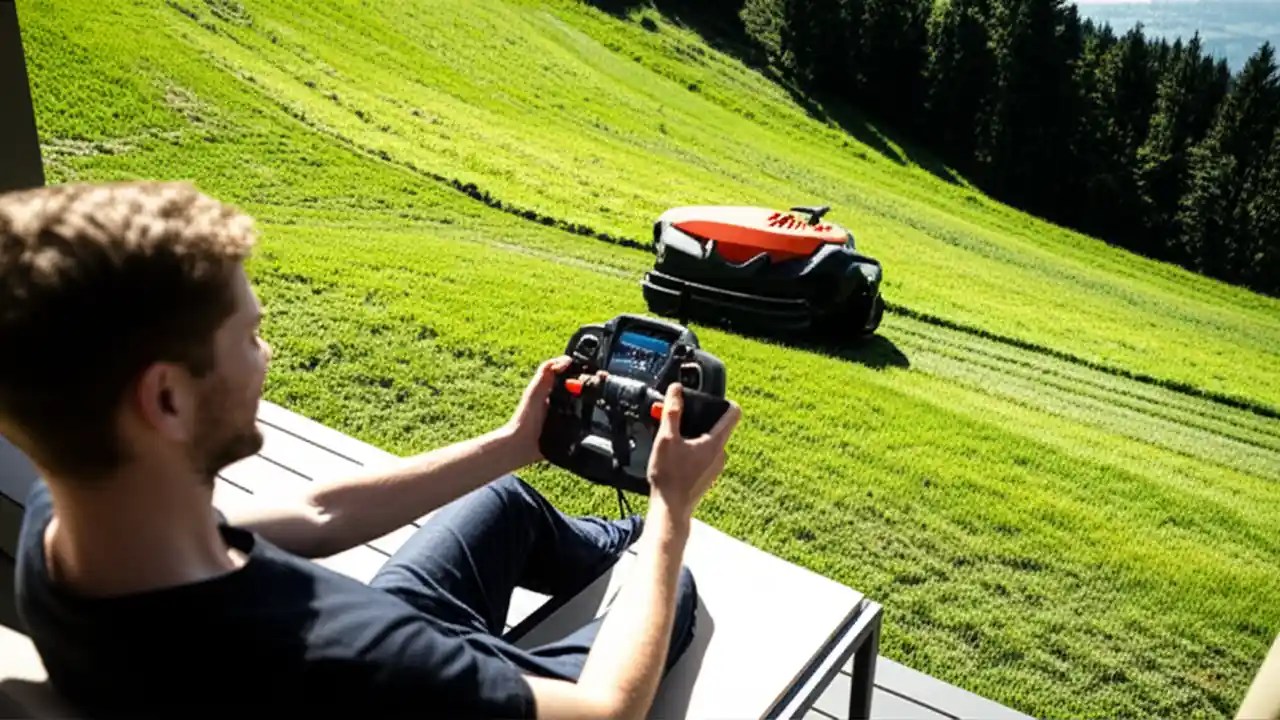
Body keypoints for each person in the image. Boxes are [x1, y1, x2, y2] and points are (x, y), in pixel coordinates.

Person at [0, 181, 741, 718]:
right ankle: (638, 543)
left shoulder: (66, 515)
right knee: (668, 582)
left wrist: (513, 445)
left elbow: (317, 514)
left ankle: (620, 542)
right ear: (166, 399)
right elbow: (607, 708)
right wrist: (670, 512)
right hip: (426, 685)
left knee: (504, 499)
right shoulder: (343, 658)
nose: (266, 353)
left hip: (389, 651)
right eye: (249, 337)